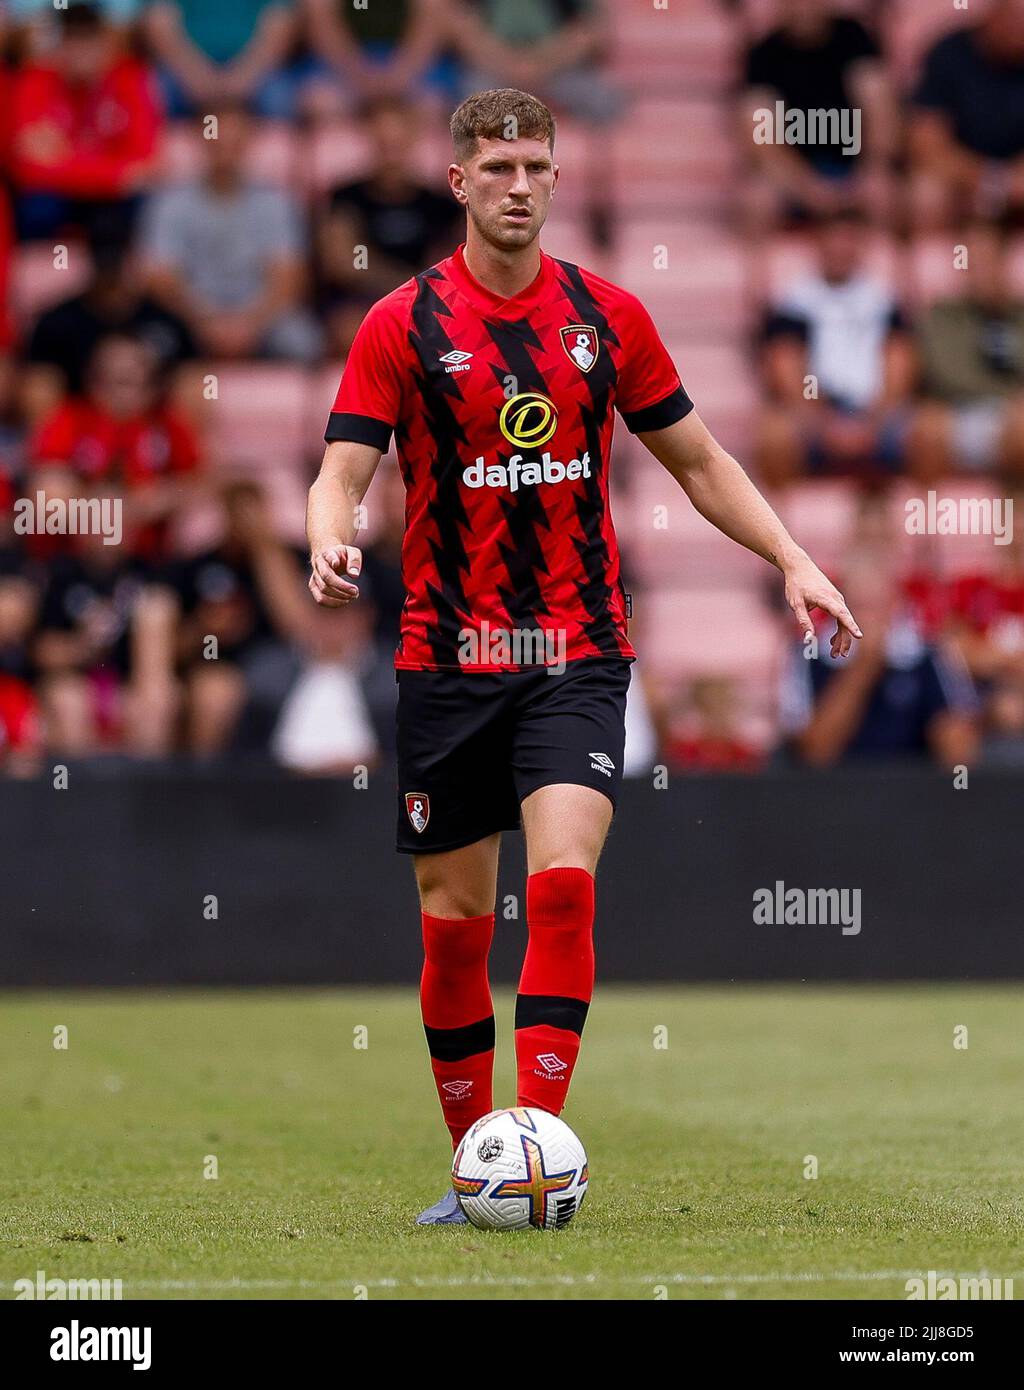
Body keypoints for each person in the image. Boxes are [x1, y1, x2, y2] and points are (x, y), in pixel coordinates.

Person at [306, 88, 859, 1225]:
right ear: (458, 182)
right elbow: (344, 467)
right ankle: (477, 1170)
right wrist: (325, 532)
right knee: (456, 927)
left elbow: (700, 463)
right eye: (498, 166)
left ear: (558, 180)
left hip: (575, 649)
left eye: (537, 166)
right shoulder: (399, 326)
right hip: (447, 659)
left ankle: (539, 1145)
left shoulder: (606, 316)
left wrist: (792, 557)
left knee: (560, 886)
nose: (519, 184)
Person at [139, 103, 321, 362]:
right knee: (151, 346)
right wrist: (205, 320)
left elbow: (289, 276)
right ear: (200, 141)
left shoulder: (275, 202)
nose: (225, 152)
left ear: (248, 142)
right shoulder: (170, 202)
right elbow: (160, 277)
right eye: (216, 142)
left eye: (234, 142)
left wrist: (249, 324)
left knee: (301, 342)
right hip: (191, 315)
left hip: (261, 317)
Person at [756, 209, 915, 485]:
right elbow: (786, 369)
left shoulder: (883, 301)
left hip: (877, 415)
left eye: (849, 241)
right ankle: (777, 524)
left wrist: (874, 421)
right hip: (814, 417)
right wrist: (822, 423)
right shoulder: (794, 302)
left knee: (930, 432)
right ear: (818, 244)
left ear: (860, 246)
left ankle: (919, 518)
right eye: (833, 240)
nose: (841, 249)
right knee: (773, 436)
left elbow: (899, 363)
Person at [317, 96, 463, 355]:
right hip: (360, 302)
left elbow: (452, 268)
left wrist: (411, 290)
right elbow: (343, 264)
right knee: (353, 328)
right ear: (369, 139)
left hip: (425, 302)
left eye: (396, 142)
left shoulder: (441, 204)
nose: (390, 150)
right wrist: (408, 282)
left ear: (412, 138)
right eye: (383, 142)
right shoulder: (346, 197)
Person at [8, 1, 161, 242]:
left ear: (105, 43)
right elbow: (29, 168)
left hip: (107, 205)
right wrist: (114, 175)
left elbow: (145, 163)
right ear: (59, 46)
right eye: (72, 41)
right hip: (61, 200)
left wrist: (64, 159)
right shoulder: (35, 81)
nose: (80, 51)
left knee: (127, 213)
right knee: (38, 209)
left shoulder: (130, 79)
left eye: (88, 40)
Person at [740, 0, 895, 231]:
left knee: (882, 193)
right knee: (755, 200)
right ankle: (761, 267)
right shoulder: (763, 55)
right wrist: (810, 189)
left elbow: (880, 112)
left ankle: (879, 264)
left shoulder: (854, 38)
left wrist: (871, 170)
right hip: (794, 178)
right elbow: (762, 140)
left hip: (854, 171)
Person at [913, 223, 1024, 480]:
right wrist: (1009, 397)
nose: (979, 270)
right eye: (971, 262)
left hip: (1016, 415)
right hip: (957, 412)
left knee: (1021, 426)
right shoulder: (942, 315)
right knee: (927, 428)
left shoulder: (1020, 314)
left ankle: (1015, 509)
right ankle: (932, 514)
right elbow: (945, 374)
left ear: (1003, 264)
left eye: (987, 260)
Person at [910, 0, 1024, 229]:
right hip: (960, 178)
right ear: (992, 15)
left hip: (1019, 177)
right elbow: (925, 142)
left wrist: (1014, 181)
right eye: (1015, 19)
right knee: (926, 194)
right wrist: (990, 180)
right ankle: (934, 261)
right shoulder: (948, 53)